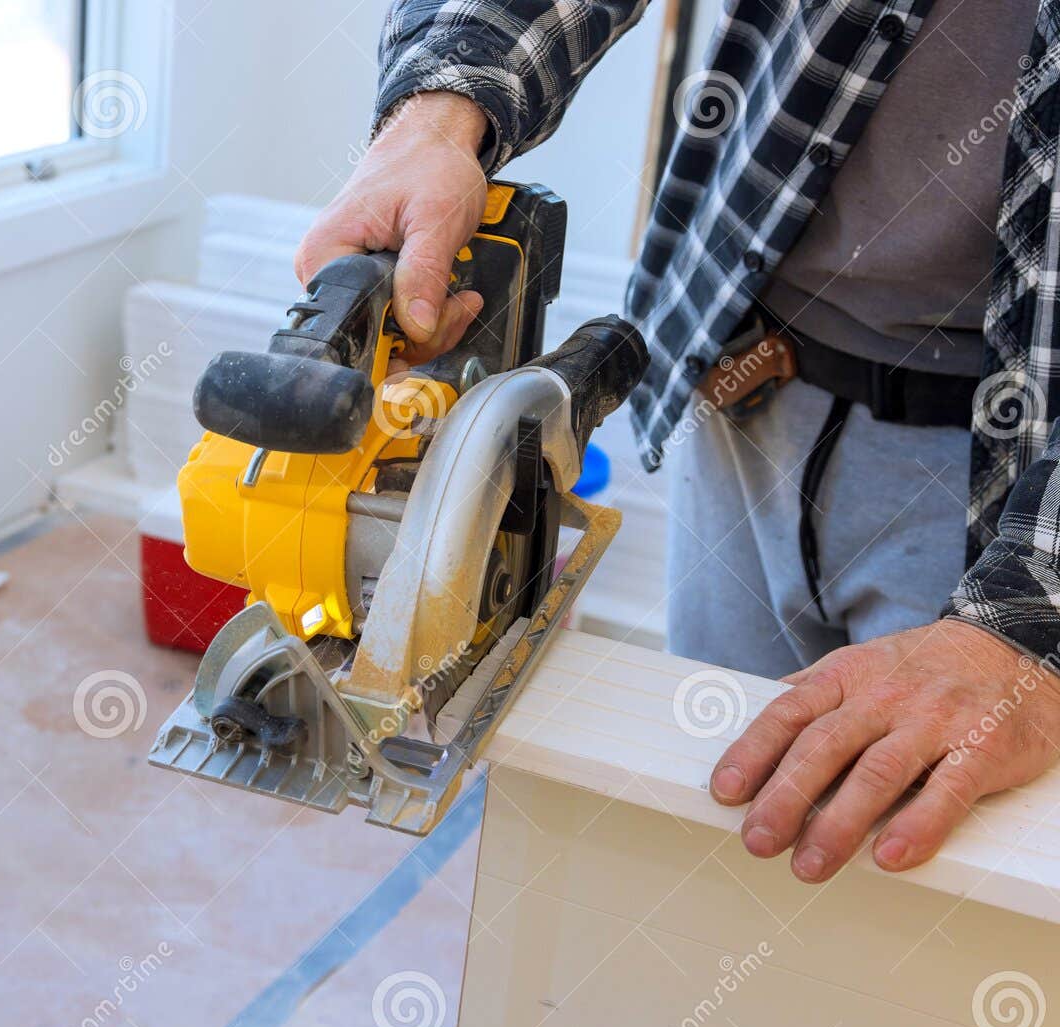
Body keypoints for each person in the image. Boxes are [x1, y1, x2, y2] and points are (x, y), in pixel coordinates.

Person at [296, 0, 1060, 883]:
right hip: (741, 385)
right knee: (708, 815)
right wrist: (436, 113)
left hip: (1004, 479)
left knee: (895, 876)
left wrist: (1029, 622)